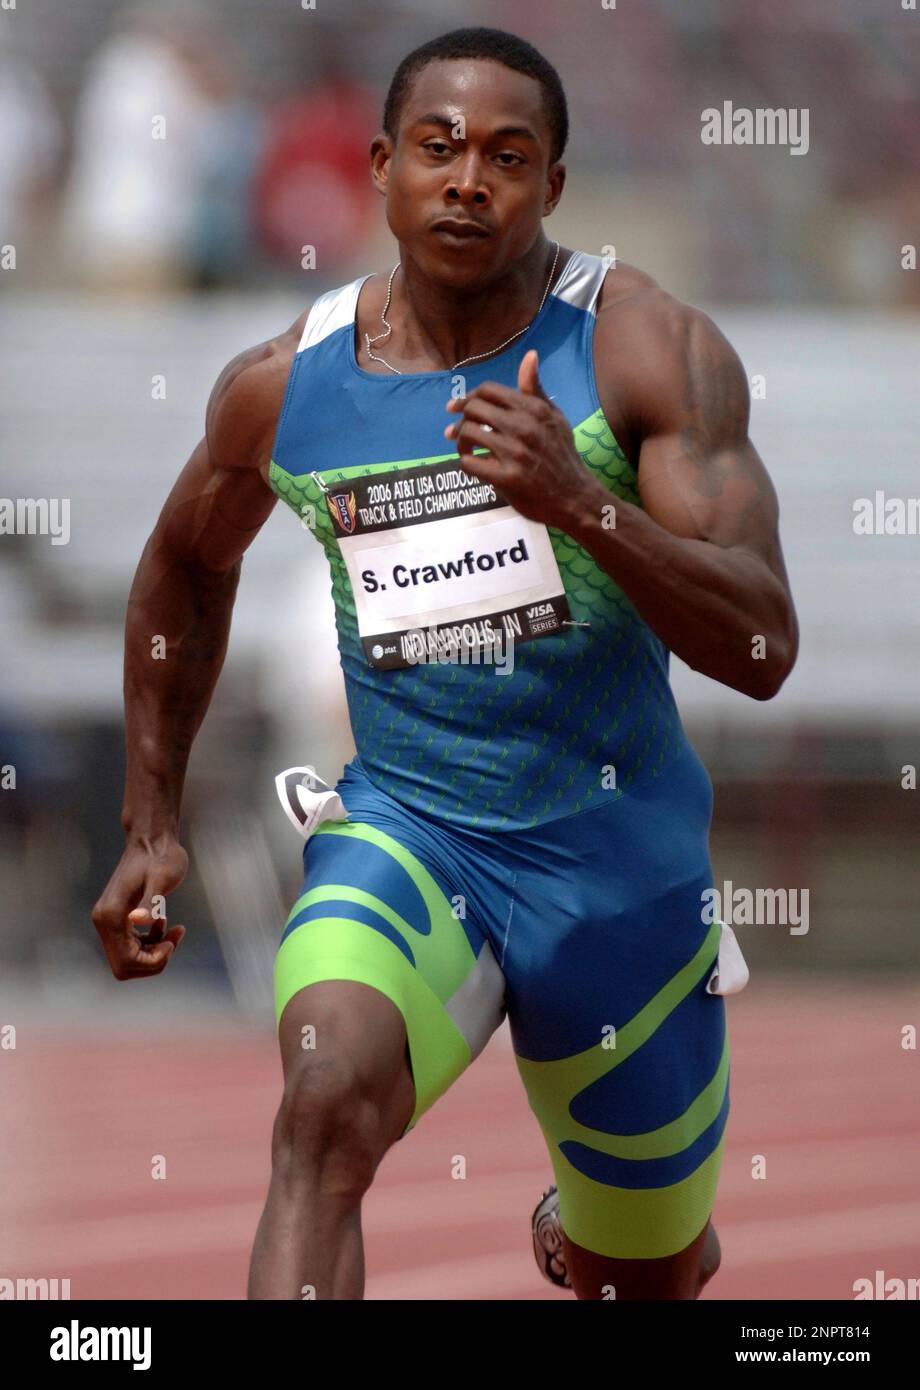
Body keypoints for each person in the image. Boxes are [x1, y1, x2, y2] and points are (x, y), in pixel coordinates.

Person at [92, 26, 798, 1300]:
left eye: (507, 158)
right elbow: (183, 569)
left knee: (639, 1274)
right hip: (413, 833)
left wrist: (579, 502)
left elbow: (761, 645)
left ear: (553, 185)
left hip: (614, 867)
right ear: (381, 167)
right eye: (439, 148)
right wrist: (150, 822)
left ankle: (613, 1228)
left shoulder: (642, 349)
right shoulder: (286, 385)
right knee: (321, 1111)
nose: (469, 180)